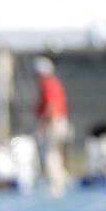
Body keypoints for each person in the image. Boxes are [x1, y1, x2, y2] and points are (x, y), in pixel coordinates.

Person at [34, 57, 71, 197]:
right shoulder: (53, 83)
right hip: (59, 120)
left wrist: (43, 123)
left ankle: (56, 183)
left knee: (50, 154)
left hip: (54, 121)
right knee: (56, 152)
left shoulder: (48, 84)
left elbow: (51, 106)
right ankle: (61, 178)